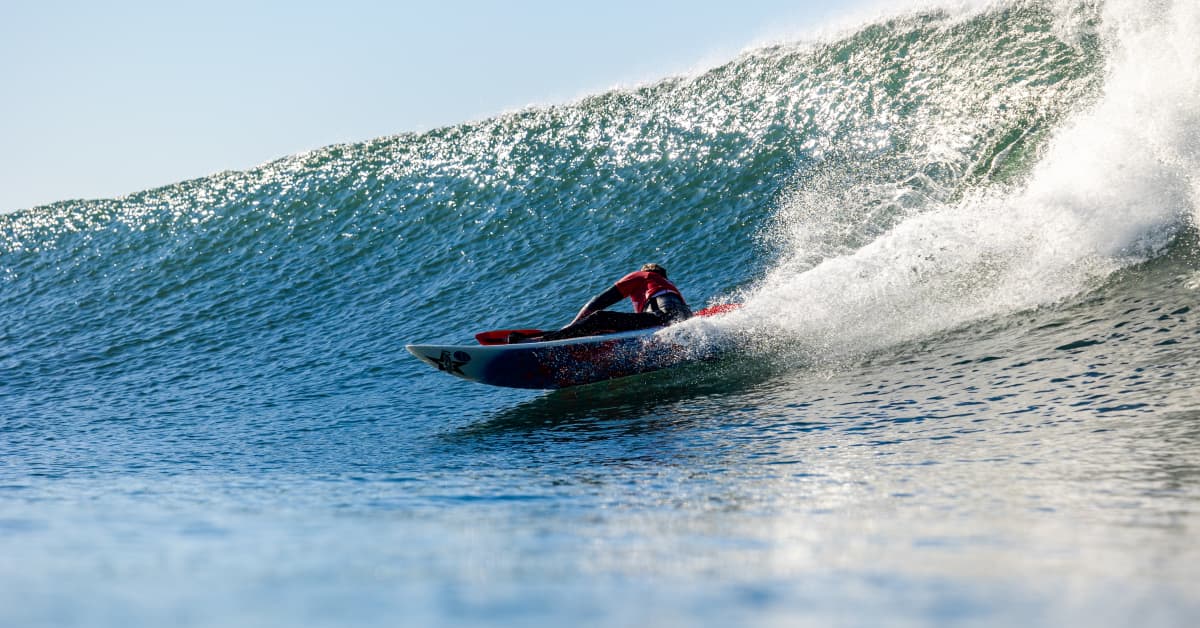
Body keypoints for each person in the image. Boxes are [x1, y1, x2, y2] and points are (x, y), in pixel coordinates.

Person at [524, 263, 693, 342]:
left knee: (598, 318)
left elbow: (599, 302)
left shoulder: (642, 275)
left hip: (662, 316)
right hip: (682, 317)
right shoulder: (669, 285)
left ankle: (546, 340)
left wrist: (572, 325)